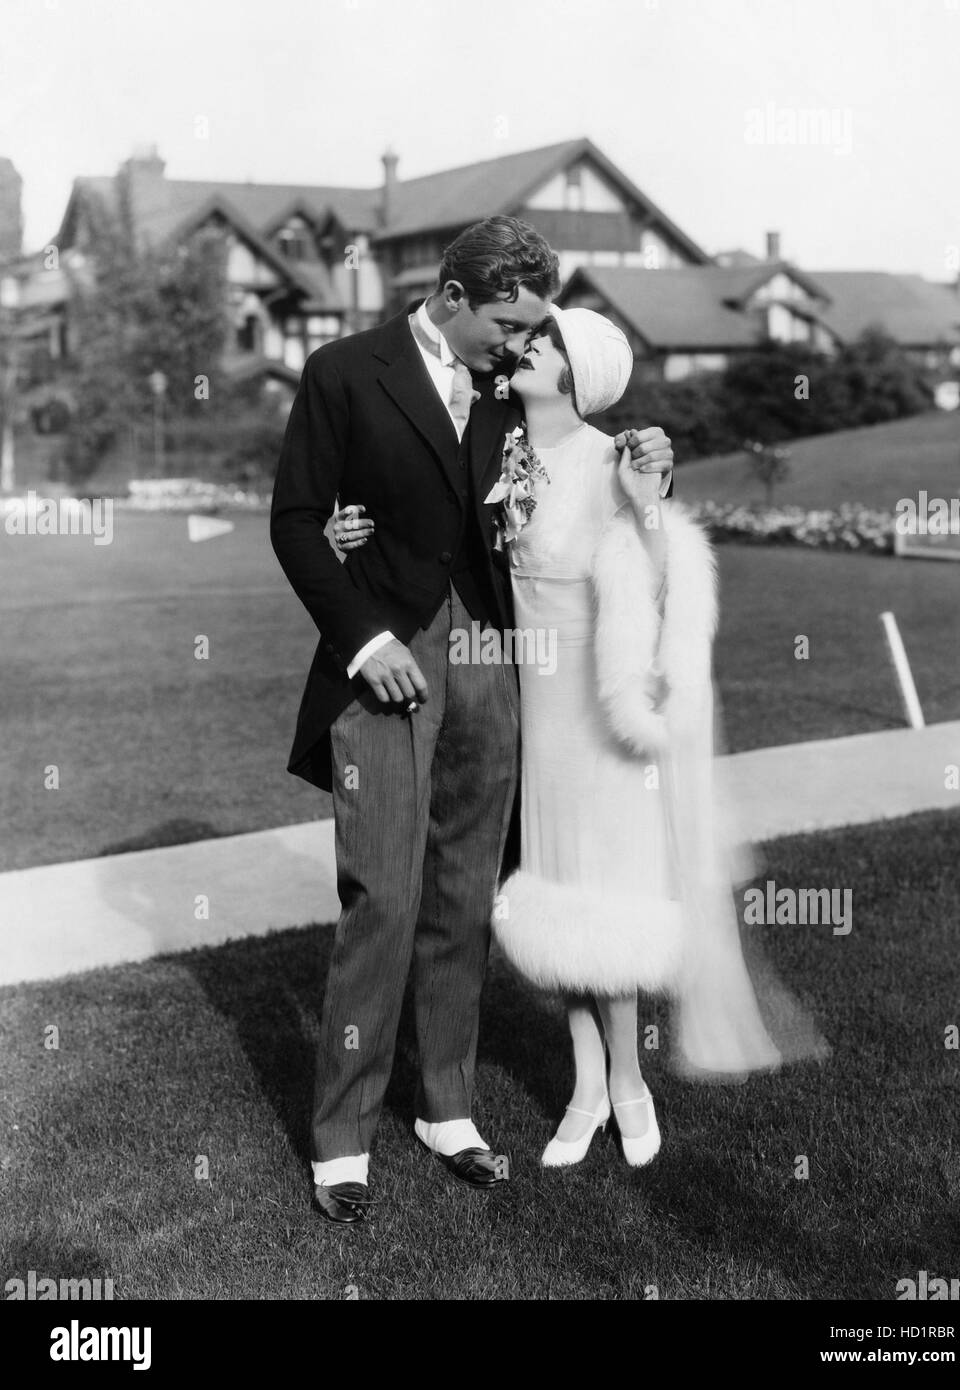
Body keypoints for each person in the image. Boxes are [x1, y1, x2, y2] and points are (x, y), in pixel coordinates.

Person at [333, 304, 824, 1172]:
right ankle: (586, 1082)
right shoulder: (494, 443)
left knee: (612, 898)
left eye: (545, 342)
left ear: (578, 373)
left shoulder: (615, 460)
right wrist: (347, 528)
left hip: (597, 714)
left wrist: (645, 507)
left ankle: (624, 1083)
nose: (524, 347)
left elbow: (665, 587)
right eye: (528, 337)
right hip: (528, 708)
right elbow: (425, 515)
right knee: (555, 895)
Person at [270, 216, 675, 1224]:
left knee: (464, 897)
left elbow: (586, 462)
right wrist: (365, 636)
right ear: (451, 293)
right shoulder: (343, 370)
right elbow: (293, 518)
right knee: (385, 895)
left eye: (530, 326)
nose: (515, 342)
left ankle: (446, 1106)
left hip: (491, 664)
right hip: (385, 666)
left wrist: (661, 464)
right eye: (506, 320)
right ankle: (342, 1135)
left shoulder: (509, 384)